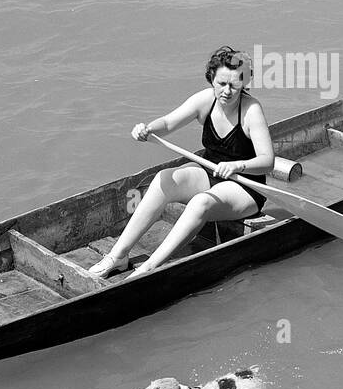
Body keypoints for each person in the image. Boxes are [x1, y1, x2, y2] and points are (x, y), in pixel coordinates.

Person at [88, 46, 275, 279]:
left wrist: (239, 165)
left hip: (244, 185)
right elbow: (167, 124)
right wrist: (147, 129)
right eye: (221, 83)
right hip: (210, 172)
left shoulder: (251, 110)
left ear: (244, 82)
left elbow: (267, 161)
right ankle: (118, 256)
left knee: (200, 203)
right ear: (212, 79)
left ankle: (148, 269)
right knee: (164, 179)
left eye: (234, 85)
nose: (226, 91)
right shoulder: (206, 100)